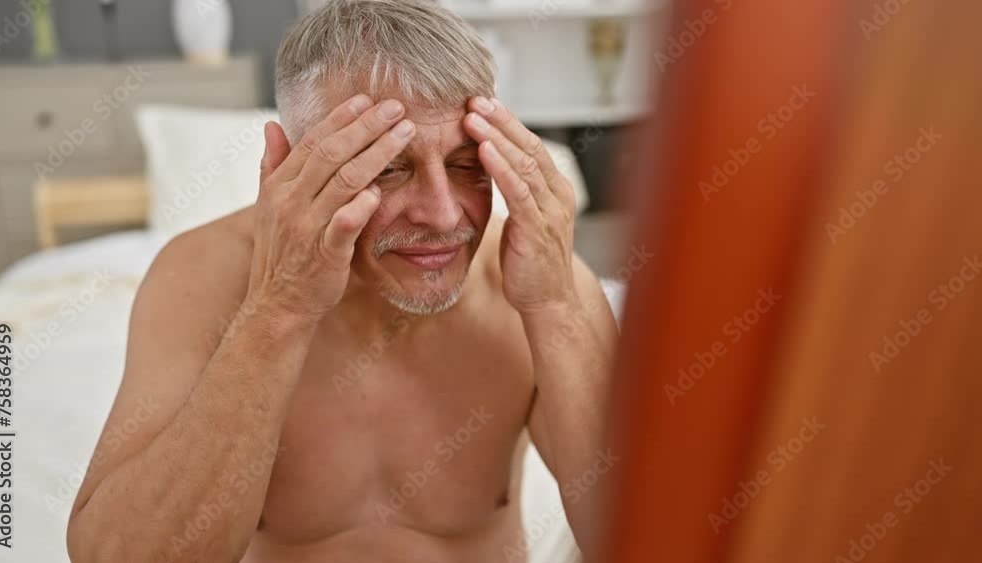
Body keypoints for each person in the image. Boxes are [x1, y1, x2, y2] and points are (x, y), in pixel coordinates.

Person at [67, 1, 617, 561]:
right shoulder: (203, 277)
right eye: (386, 167)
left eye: (466, 164)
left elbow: (656, 538)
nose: (444, 215)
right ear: (292, 168)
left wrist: (556, 308)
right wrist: (278, 310)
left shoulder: (537, 281)